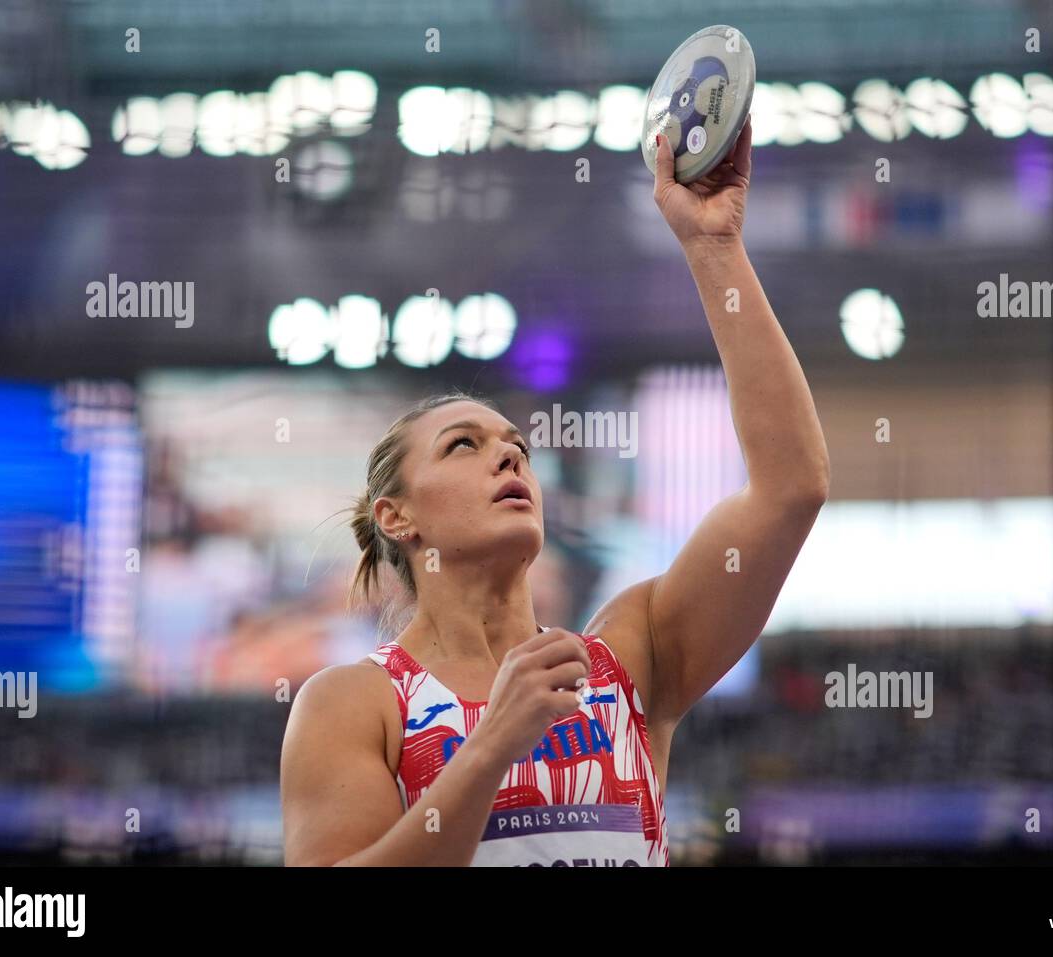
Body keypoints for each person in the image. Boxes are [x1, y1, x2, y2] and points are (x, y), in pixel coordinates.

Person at [280, 116, 830, 866]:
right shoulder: (355, 702)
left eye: (517, 448)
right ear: (395, 515)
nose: (508, 459)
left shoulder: (630, 656)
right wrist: (492, 745)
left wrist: (713, 246)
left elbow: (790, 487)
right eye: (464, 445)